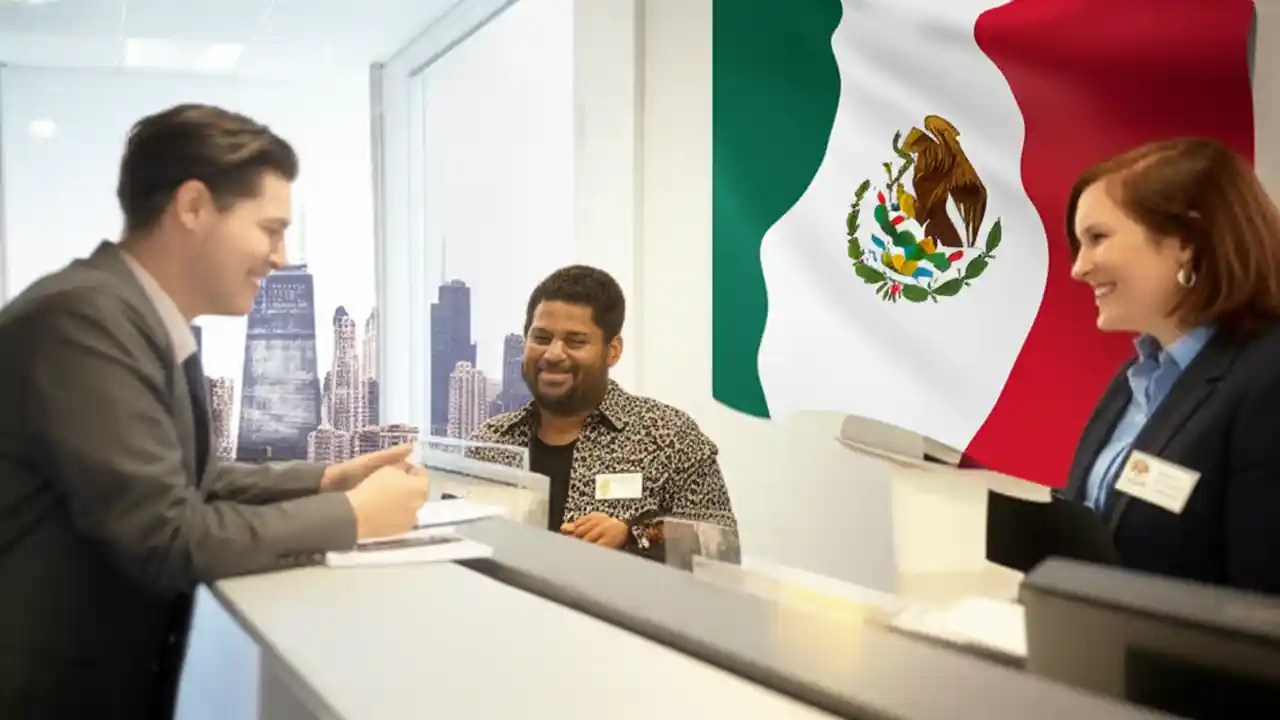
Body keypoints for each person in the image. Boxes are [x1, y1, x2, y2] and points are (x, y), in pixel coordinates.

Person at [0, 104, 429, 718]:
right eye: (271, 229)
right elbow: (167, 535)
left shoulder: (136, 316)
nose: (280, 257)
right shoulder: (83, 320)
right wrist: (352, 515)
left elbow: (184, 475)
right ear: (194, 206)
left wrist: (327, 478)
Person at [1063, 136, 1280, 594]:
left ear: (1185, 241)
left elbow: (1260, 607)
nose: (1078, 268)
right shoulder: (1132, 383)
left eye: (1097, 238)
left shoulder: (1267, 379)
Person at [468, 265, 737, 557]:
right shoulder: (491, 441)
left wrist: (632, 534)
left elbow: (721, 546)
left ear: (613, 350)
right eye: (542, 338)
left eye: (576, 341)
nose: (554, 354)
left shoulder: (667, 436)